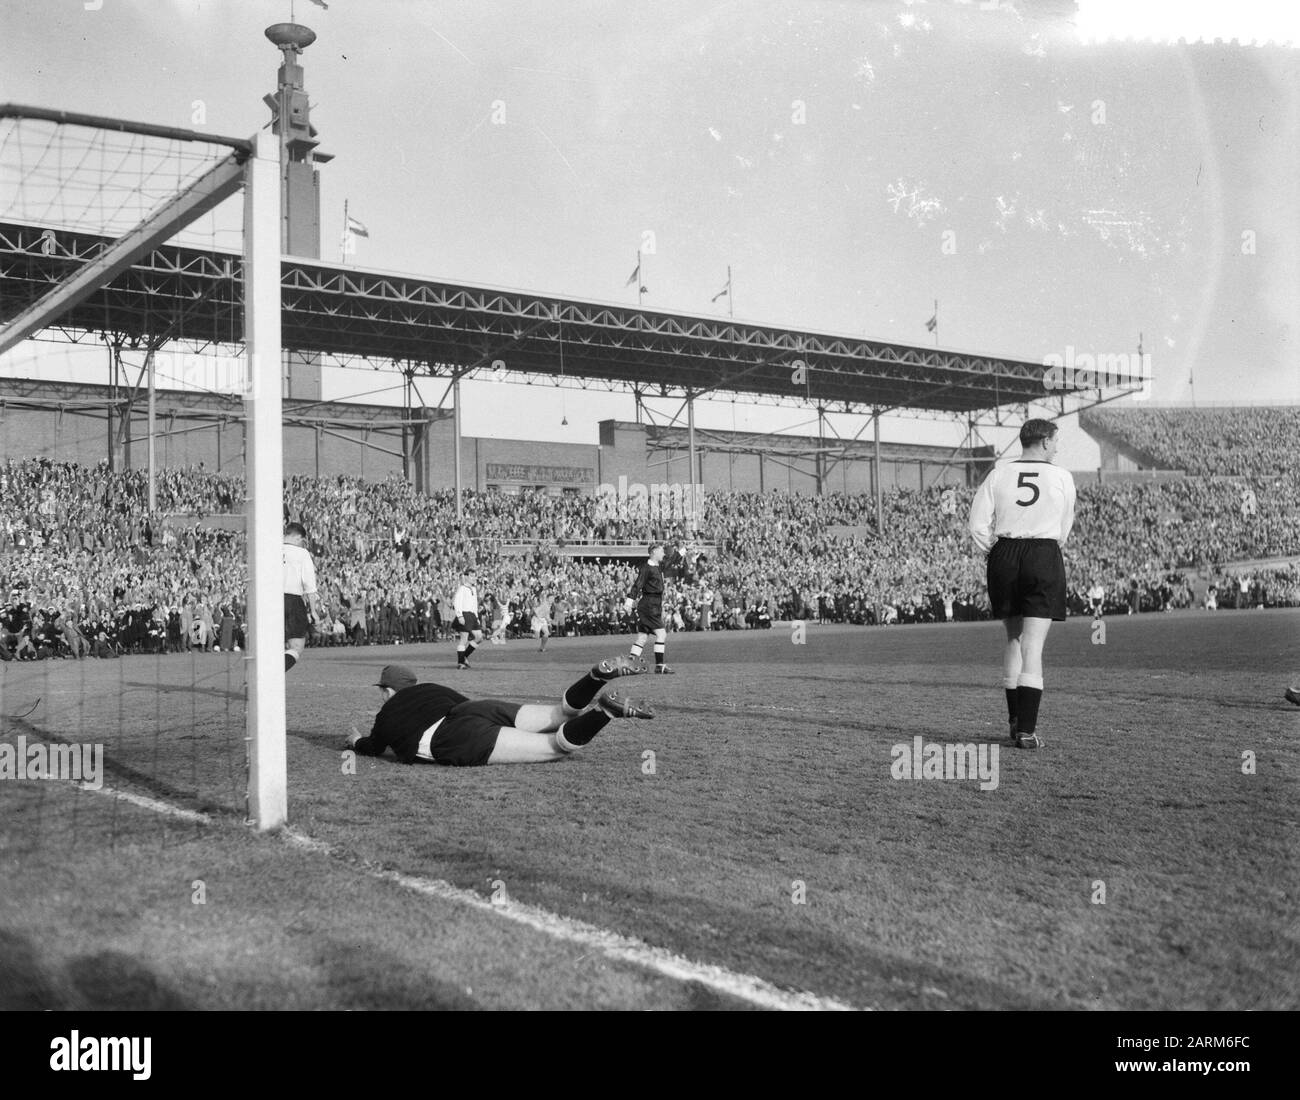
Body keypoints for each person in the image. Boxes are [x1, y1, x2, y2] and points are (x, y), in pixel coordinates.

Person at [968, 419, 1076, 750]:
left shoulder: (998, 472)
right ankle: (1027, 730)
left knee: (1013, 638)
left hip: (1004, 555)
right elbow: (1065, 524)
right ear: (1044, 442)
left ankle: (1015, 720)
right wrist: (1042, 551)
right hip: (1043, 553)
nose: (1058, 447)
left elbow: (977, 524)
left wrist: (998, 553)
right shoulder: (1061, 476)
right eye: (1056, 441)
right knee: (1034, 645)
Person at [346, 655, 652, 766]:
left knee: (552, 747)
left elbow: (373, 748)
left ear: (388, 691)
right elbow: (464, 705)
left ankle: (606, 712)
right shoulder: (432, 688)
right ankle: (595, 677)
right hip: (472, 709)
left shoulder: (386, 715)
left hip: (452, 735)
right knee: (558, 714)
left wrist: (355, 740)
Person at [625, 542, 674, 673]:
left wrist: (684, 550)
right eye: (661, 551)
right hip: (649, 605)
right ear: (654, 553)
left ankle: (630, 665)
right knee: (661, 634)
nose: (664, 553)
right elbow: (638, 585)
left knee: (642, 637)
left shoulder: (658, 566)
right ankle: (659, 666)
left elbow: (671, 560)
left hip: (653, 604)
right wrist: (629, 601)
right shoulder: (646, 568)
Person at [284, 522, 325, 672]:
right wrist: (313, 610)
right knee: (296, 646)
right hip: (293, 600)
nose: (302, 544)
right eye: (302, 541)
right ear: (297, 538)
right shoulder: (302, 553)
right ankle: (272, 675)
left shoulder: (271, 549)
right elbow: (309, 584)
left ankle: (258, 676)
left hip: (271, 600)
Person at [452, 567, 484, 670]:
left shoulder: (473, 589)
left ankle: (464, 656)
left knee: (479, 638)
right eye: (471, 576)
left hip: (473, 616)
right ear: (466, 577)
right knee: (464, 639)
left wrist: (477, 617)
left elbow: (474, 604)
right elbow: (457, 602)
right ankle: (460, 663)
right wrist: (460, 615)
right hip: (464, 615)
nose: (474, 578)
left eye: (475, 576)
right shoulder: (462, 588)